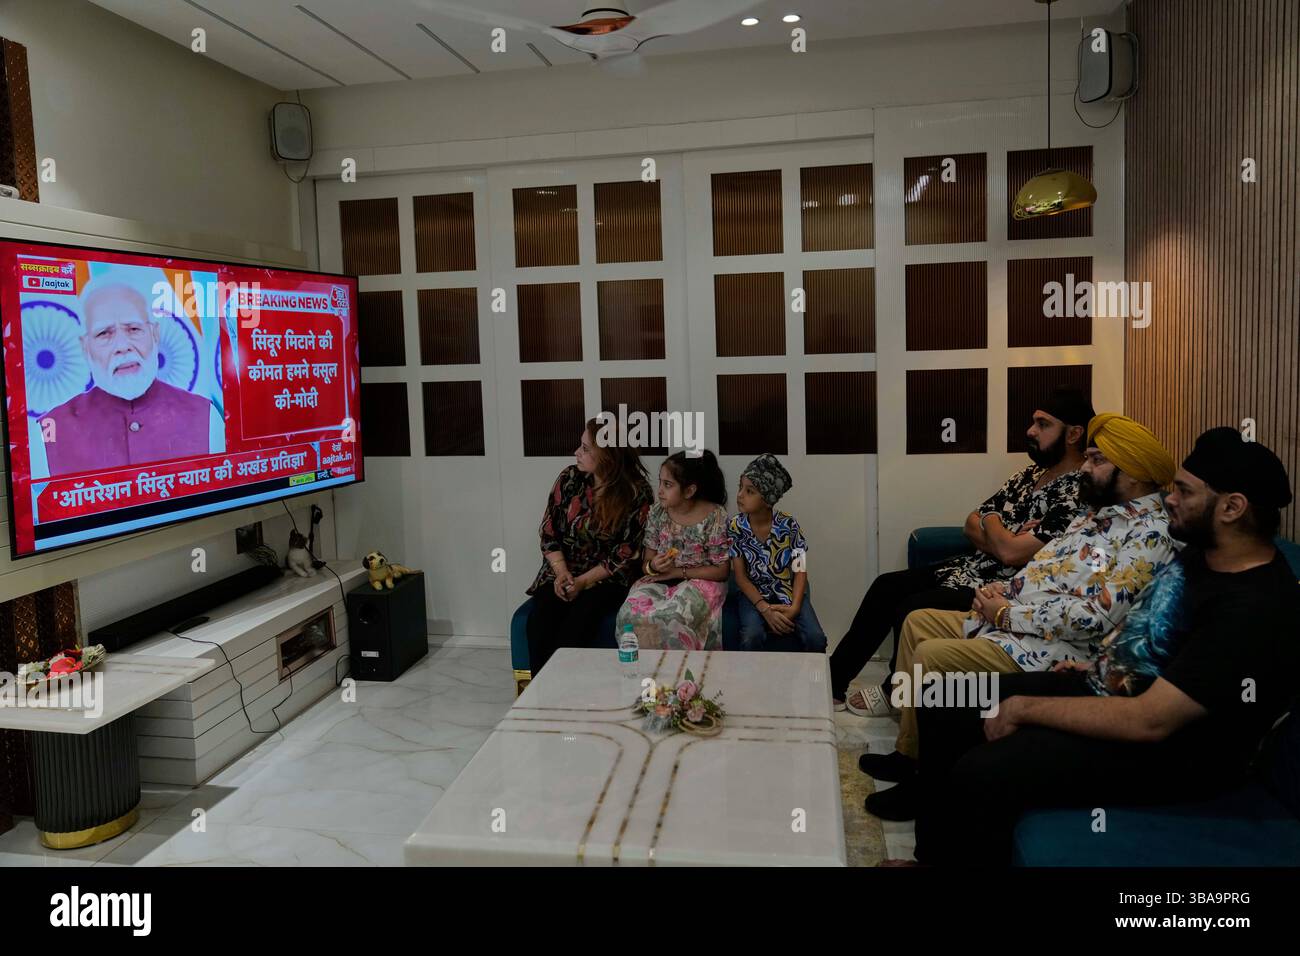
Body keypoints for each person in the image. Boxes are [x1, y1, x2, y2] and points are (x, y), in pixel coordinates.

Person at [907, 427, 1300, 866]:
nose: (1168, 498)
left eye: (1184, 492)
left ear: (1232, 507)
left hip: (1168, 753)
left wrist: (1024, 707)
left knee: (982, 771)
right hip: (1110, 686)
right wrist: (1100, 663)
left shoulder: (1254, 609)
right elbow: (1143, 630)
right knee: (941, 696)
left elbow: (1151, 721)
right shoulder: (1203, 556)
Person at [861, 412, 1178, 819]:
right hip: (1016, 621)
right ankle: (910, 752)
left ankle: (926, 781)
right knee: (918, 620)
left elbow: (1092, 616)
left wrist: (1008, 614)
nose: (1084, 467)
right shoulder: (1098, 513)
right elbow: (1044, 568)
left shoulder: (1149, 534)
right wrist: (1003, 592)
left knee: (931, 658)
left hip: (1050, 647)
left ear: (1134, 473)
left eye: (1097, 460)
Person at [831, 387, 1094, 714]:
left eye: (1043, 424)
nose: (1031, 431)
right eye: (1033, 422)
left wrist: (996, 526)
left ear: (1074, 433)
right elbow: (973, 523)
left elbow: (1010, 553)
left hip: (999, 589)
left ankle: (897, 694)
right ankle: (833, 683)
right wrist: (1004, 537)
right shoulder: (1029, 475)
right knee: (886, 585)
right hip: (969, 567)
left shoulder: (1080, 489)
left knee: (912, 607)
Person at [42, 279, 217, 478]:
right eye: (104, 333)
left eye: (133, 329)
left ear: (155, 334)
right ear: (85, 347)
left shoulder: (207, 416)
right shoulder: (50, 432)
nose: (122, 346)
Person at [525, 419, 653, 675]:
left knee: (577, 624)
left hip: (606, 579)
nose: (576, 453)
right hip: (563, 571)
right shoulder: (569, 478)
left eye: (585, 449)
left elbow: (626, 553)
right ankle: (541, 698)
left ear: (607, 456)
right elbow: (549, 531)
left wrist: (583, 582)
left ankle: (571, 694)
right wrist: (561, 573)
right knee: (539, 622)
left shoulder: (637, 492)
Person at [616, 450, 730, 650]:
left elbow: (721, 571)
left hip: (701, 582)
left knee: (673, 618)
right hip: (661, 580)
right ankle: (644, 673)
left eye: (667, 485)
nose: (659, 490)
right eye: (660, 482)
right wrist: (653, 566)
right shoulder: (658, 513)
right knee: (629, 614)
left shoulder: (715, 516)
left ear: (689, 491)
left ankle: (681, 675)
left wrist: (677, 572)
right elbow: (647, 565)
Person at [729, 453, 828, 653]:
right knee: (752, 636)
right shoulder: (736, 526)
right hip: (752, 596)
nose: (740, 495)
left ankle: (812, 683)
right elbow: (740, 577)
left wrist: (795, 607)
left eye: (750, 491)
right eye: (740, 487)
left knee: (816, 638)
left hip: (786, 593)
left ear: (767, 499)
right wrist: (764, 609)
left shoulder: (789, 525)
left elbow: (800, 571)